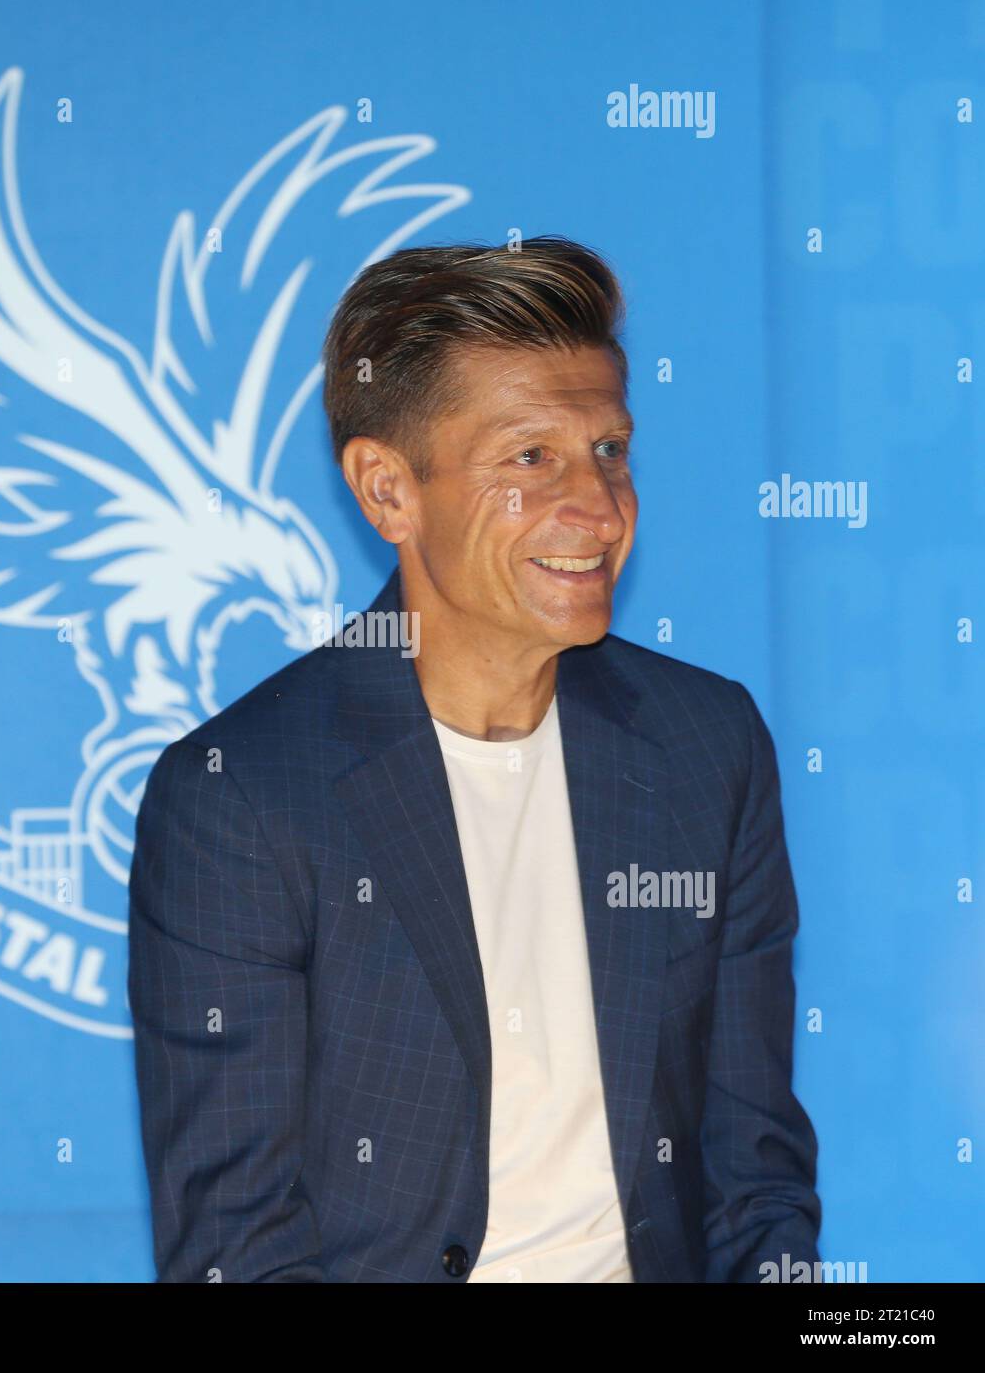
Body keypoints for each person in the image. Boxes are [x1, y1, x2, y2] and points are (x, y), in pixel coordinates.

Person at [127, 236, 821, 1282]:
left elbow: (752, 1178)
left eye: (610, 450)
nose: (595, 507)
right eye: (528, 457)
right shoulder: (239, 798)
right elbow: (239, 1249)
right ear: (387, 490)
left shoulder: (706, 745)